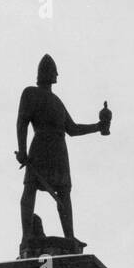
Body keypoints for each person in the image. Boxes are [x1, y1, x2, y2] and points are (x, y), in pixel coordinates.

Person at [15, 54, 112, 252]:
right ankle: (26, 236)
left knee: (65, 192)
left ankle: (69, 236)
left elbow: (73, 129)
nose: (54, 74)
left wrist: (98, 126)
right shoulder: (30, 93)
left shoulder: (57, 102)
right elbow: (22, 122)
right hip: (41, 145)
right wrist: (23, 150)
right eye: (52, 70)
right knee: (30, 187)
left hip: (59, 150)